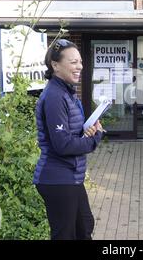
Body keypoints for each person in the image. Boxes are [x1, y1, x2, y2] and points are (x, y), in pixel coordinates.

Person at [33, 39, 105, 240]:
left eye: (80, 61)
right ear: (55, 65)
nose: (79, 66)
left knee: (84, 226)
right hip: (57, 178)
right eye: (73, 62)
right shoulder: (55, 96)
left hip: (70, 176)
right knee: (66, 235)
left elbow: (70, 134)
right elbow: (63, 144)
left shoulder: (66, 92)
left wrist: (87, 131)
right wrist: (94, 138)